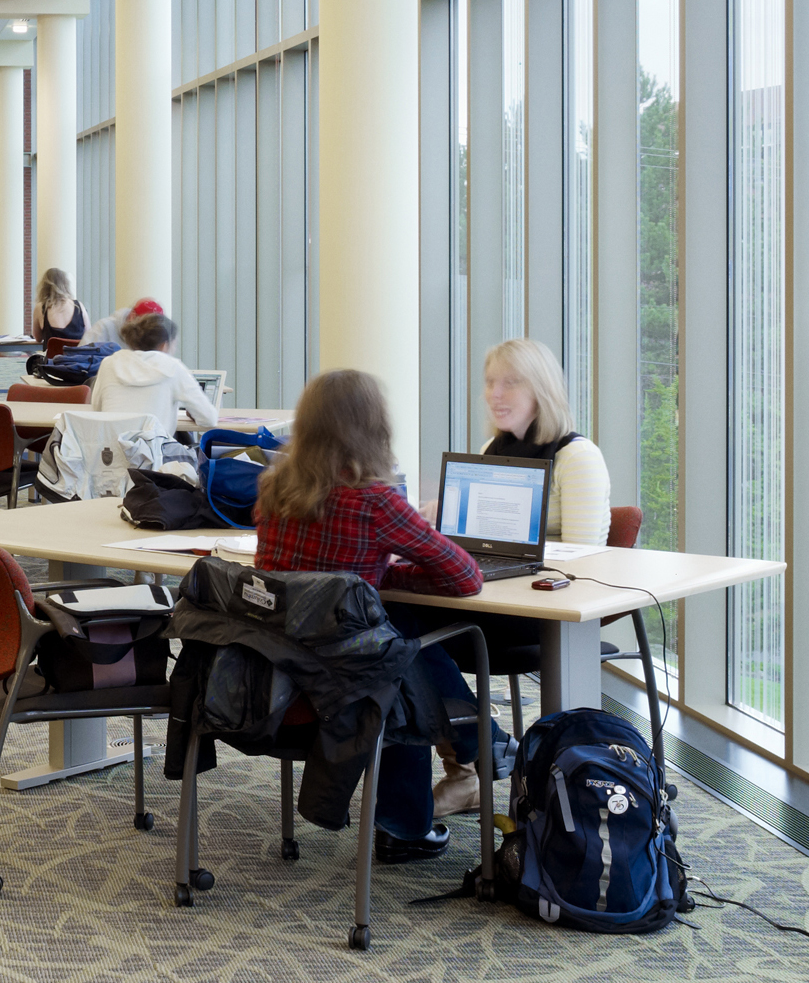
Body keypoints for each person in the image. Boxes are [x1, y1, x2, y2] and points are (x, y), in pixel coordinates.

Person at [250, 368, 494, 821]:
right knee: (401, 650)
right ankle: (473, 752)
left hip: (279, 668)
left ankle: (472, 755)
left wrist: (379, 580)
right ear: (374, 428)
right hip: (352, 678)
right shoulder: (375, 502)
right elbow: (466, 577)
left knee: (397, 633)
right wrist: (389, 578)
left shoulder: (274, 490)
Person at [475, 336, 613, 542]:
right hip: (500, 572)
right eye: (490, 382)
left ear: (541, 391)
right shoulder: (489, 450)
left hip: (563, 573)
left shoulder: (578, 458)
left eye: (511, 382)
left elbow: (580, 557)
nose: (495, 394)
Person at [89, 301, 221, 440]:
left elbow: (98, 408)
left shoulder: (109, 363)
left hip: (109, 455)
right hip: (155, 457)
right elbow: (209, 419)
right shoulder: (173, 367)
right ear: (165, 345)